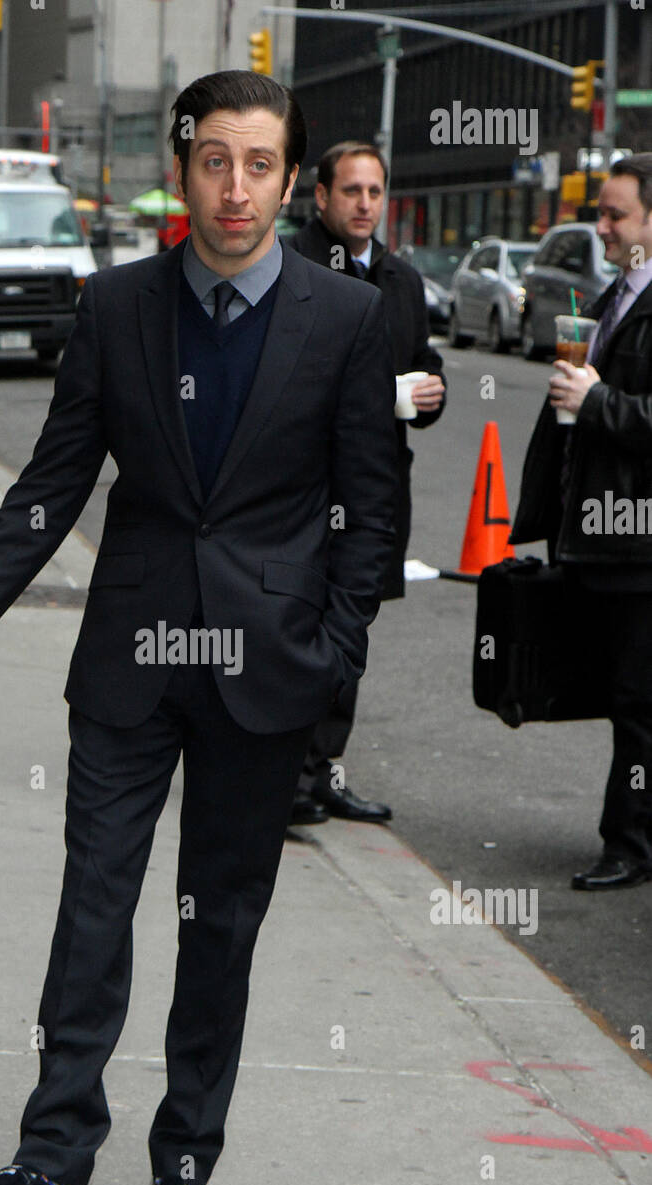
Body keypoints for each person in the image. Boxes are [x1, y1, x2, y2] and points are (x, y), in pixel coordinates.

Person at [0, 70, 400, 1185]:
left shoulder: (347, 325)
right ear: (184, 168)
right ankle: (52, 1166)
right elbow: (49, 493)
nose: (234, 186)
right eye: (213, 160)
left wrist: (327, 662)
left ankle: (186, 1166)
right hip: (131, 663)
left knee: (218, 928)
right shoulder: (115, 307)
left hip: (267, 673)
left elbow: (373, 519)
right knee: (93, 901)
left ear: (290, 182)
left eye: (260, 165)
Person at [284, 141, 446, 828]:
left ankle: (322, 774)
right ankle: (281, 780)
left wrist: (431, 390)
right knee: (295, 628)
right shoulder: (288, 264)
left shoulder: (399, 278)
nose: (363, 204)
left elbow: (419, 358)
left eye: (374, 192)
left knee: (351, 633)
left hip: (377, 487)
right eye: (349, 191)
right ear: (320, 197)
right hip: (303, 486)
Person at [509, 153, 652, 892]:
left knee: (636, 702)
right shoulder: (612, 297)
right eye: (600, 212)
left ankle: (628, 845)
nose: (599, 226)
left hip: (640, 544)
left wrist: (595, 402)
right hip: (597, 535)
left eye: (614, 215)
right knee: (612, 692)